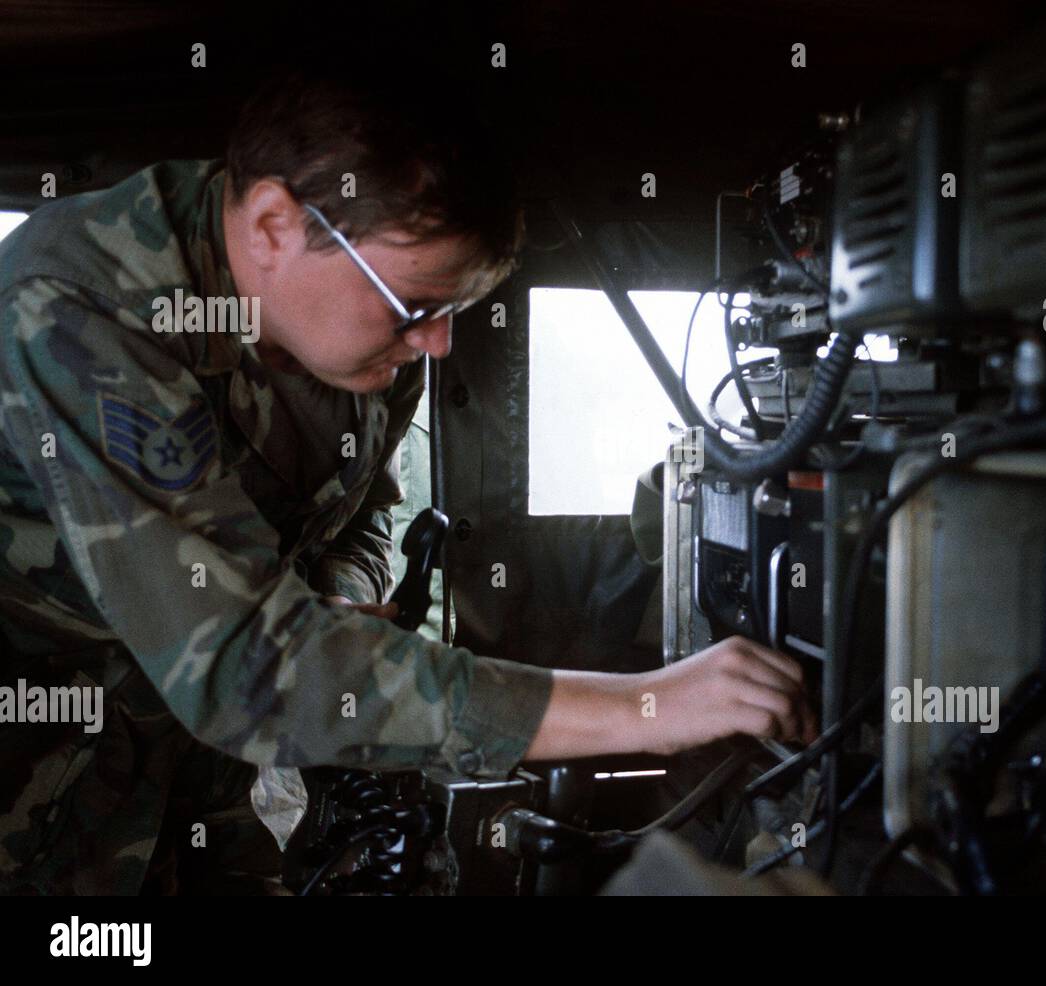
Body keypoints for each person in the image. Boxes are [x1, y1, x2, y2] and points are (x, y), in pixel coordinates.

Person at [0, 72, 814, 894]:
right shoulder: (80, 308)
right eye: (415, 304)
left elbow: (355, 515)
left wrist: (333, 595)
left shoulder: (367, 340)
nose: (436, 343)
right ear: (276, 226)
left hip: (191, 774)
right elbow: (246, 666)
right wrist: (645, 707)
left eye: (454, 307)